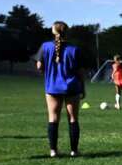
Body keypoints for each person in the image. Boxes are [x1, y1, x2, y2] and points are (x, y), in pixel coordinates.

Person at [37, 21, 86, 157]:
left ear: (54, 31)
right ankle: (74, 151)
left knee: (53, 118)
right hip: (71, 87)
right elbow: (80, 72)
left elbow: (39, 66)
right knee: (73, 118)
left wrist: (49, 72)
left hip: (52, 87)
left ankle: (53, 151)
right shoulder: (74, 49)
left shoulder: (45, 47)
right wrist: (83, 87)